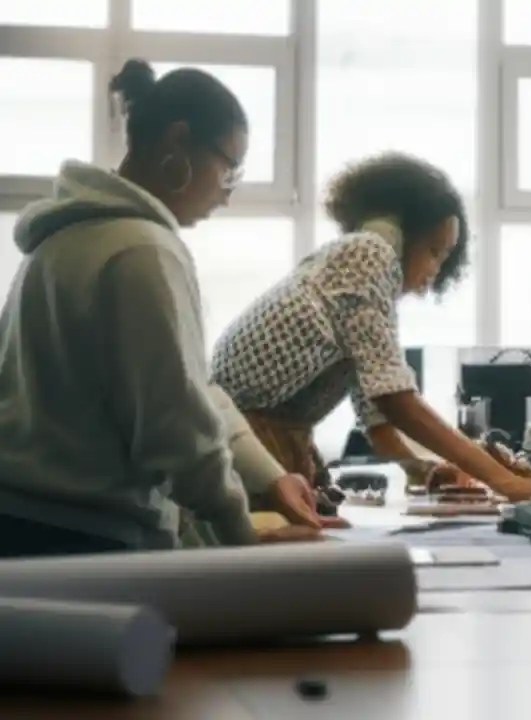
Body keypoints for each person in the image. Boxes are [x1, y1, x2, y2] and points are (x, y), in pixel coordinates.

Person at [0, 59, 323, 557]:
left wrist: (272, 477)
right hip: (88, 541)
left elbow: (193, 384)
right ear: (179, 143)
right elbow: (175, 425)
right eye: (229, 167)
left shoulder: (64, 237)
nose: (227, 193)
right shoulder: (142, 250)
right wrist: (241, 536)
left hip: (28, 527)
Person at [211, 152, 531, 501]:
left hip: (261, 442)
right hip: (245, 446)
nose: (435, 272)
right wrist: (504, 482)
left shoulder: (357, 280)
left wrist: (422, 467)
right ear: (403, 232)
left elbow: (378, 421)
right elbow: (397, 402)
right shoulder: (369, 253)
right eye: (434, 251)